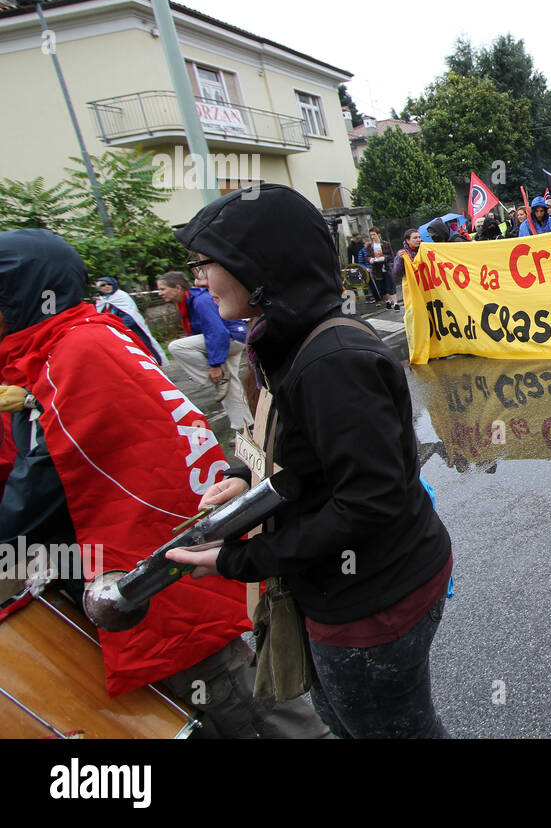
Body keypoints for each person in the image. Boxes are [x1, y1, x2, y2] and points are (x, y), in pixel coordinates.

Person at [0, 229, 328, 737]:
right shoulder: (86, 335)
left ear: (17, 294)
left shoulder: (72, 353)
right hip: (168, 556)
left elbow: (37, 494)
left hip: (153, 577)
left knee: (256, 714)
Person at [165, 184, 455, 739]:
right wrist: (240, 477)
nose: (200, 278)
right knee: (349, 723)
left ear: (261, 264)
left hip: (373, 598)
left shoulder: (331, 359)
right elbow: (293, 447)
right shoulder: (283, 338)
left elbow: (369, 501)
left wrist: (241, 562)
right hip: (339, 589)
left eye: (209, 263)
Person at [157, 269, 252, 434]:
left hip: (229, 338)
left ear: (177, 288)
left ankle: (217, 377)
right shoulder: (186, 302)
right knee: (229, 388)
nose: (160, 293)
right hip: (229, 338)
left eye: (163, 288)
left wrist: (214, 365)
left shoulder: (200, 301)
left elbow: (217, 332)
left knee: (177, 347)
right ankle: (246, 428)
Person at [94, 276, 167, 362]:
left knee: (144, 348)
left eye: (109, 284)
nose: (107, 286)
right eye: (103, 285)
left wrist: (118, 326)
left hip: (132, 330)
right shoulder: (100, 300)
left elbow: (130, 316)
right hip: (113, 332)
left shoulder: (121, 296)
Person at [363, 229, 399, 311]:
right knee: (381, 286)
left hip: (385, 267)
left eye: (374, 234)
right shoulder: (370, 246)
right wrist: (370, 259)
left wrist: (384, 258)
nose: (372, 237)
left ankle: (396, 303)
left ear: (378, 234)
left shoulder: (385, 244)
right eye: (371, 235)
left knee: (390, 284)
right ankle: (387, 301)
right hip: (376, 269)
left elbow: (390, 255)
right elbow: (367, 256)